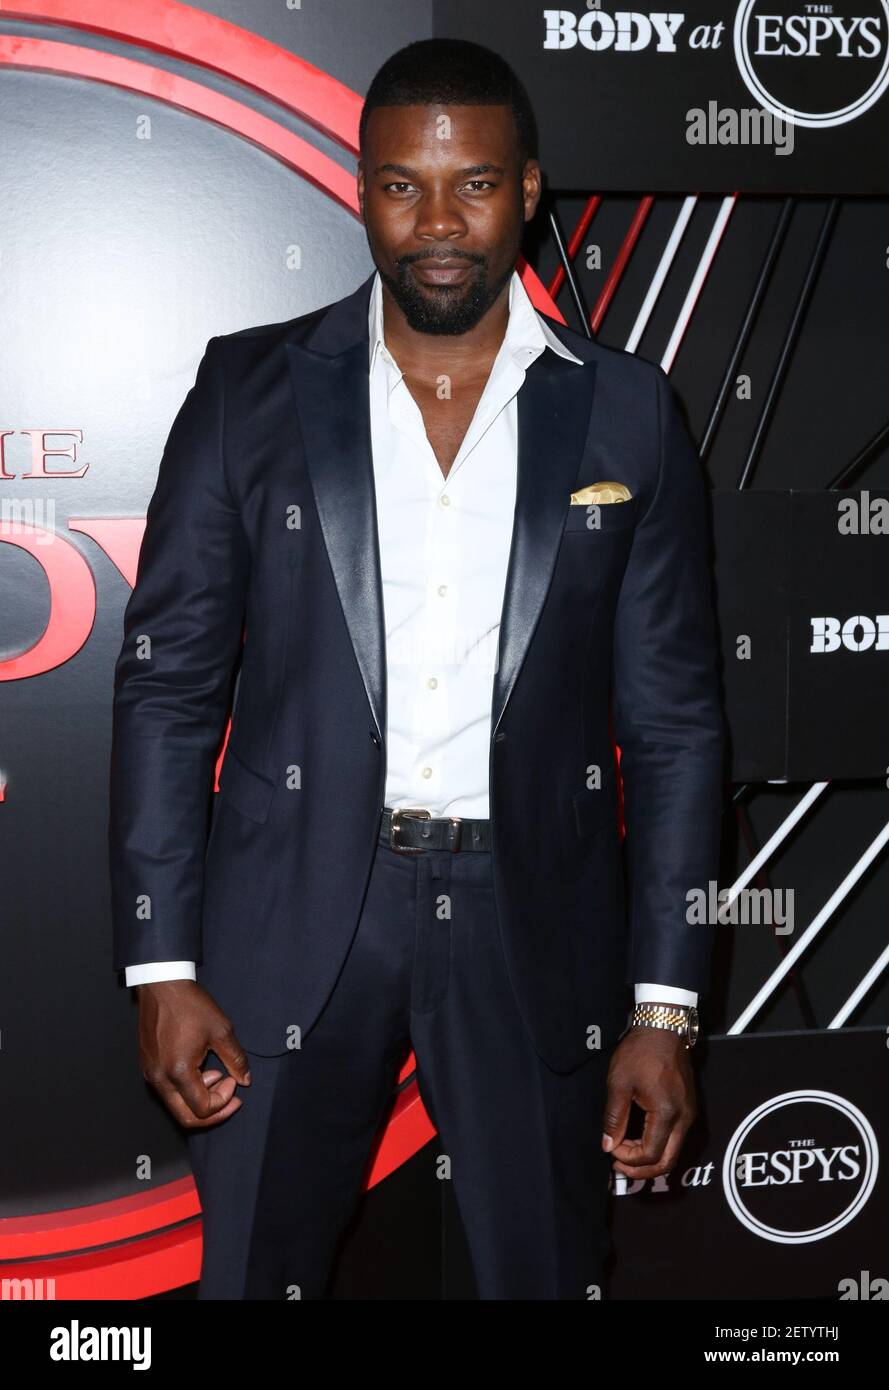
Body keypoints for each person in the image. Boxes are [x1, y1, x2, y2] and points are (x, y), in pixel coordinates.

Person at [109, 37, 724, 1300]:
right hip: (289, 921)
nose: (437, 223)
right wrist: (161, 967)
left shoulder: (624, 411)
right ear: (360, 189)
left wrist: (664, 1007)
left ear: (530, 189)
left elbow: (673, 730)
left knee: (540, 1274)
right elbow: (169, 690)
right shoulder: (248, 389)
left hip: (531, 923)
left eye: (475, 185)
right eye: (402, 185)